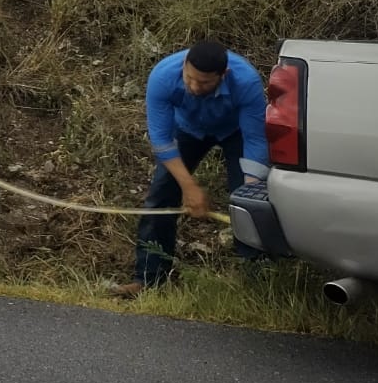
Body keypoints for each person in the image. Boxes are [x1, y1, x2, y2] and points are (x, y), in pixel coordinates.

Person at [113, 38, 267, 298]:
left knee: (249, 203)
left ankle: (257, 283)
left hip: (235, 132)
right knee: (161, 197)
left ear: (223, 75)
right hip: (187, 129)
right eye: (189, 78)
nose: (195, 87)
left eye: (204, 83)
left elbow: (256, 140)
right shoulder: (163, 75)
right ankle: (149, 279)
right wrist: (189, 186)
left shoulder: (246, 82)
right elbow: (161, 140)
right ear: (184, 64)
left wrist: (251, 190)